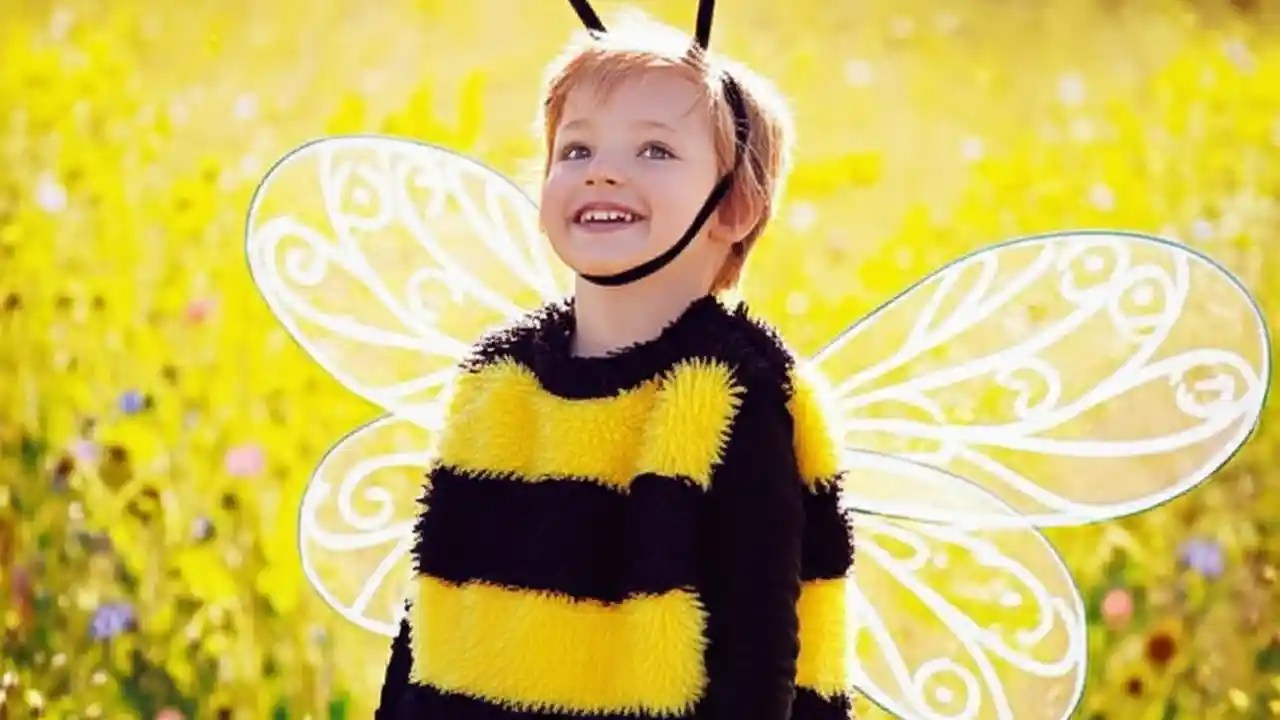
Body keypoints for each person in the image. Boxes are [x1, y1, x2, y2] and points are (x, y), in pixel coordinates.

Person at [375, 5, 855, 719]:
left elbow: (757, 667)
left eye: (655, 151)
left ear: (735, 207)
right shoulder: (496, 385)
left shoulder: (732, 397)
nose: (602, 174)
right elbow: (433, 610)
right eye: (576, 151)